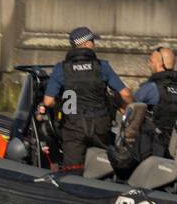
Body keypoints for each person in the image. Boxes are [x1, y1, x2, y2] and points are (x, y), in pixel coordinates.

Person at [37, 26, 132, 173]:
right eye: (93, 41)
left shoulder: (61, 68)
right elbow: (125, 94)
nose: (94, 44)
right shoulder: (103, 66)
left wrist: (66, 102)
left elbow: (48, 101)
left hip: (73, 127)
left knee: (72, 172)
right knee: (103, 168)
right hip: (100, 126)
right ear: (87, 44)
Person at [132, 45, 177, 156]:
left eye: (150, 61)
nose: (148, 64)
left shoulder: (151, 88)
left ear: (160, 65)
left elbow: (130, 107)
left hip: (154, 149)